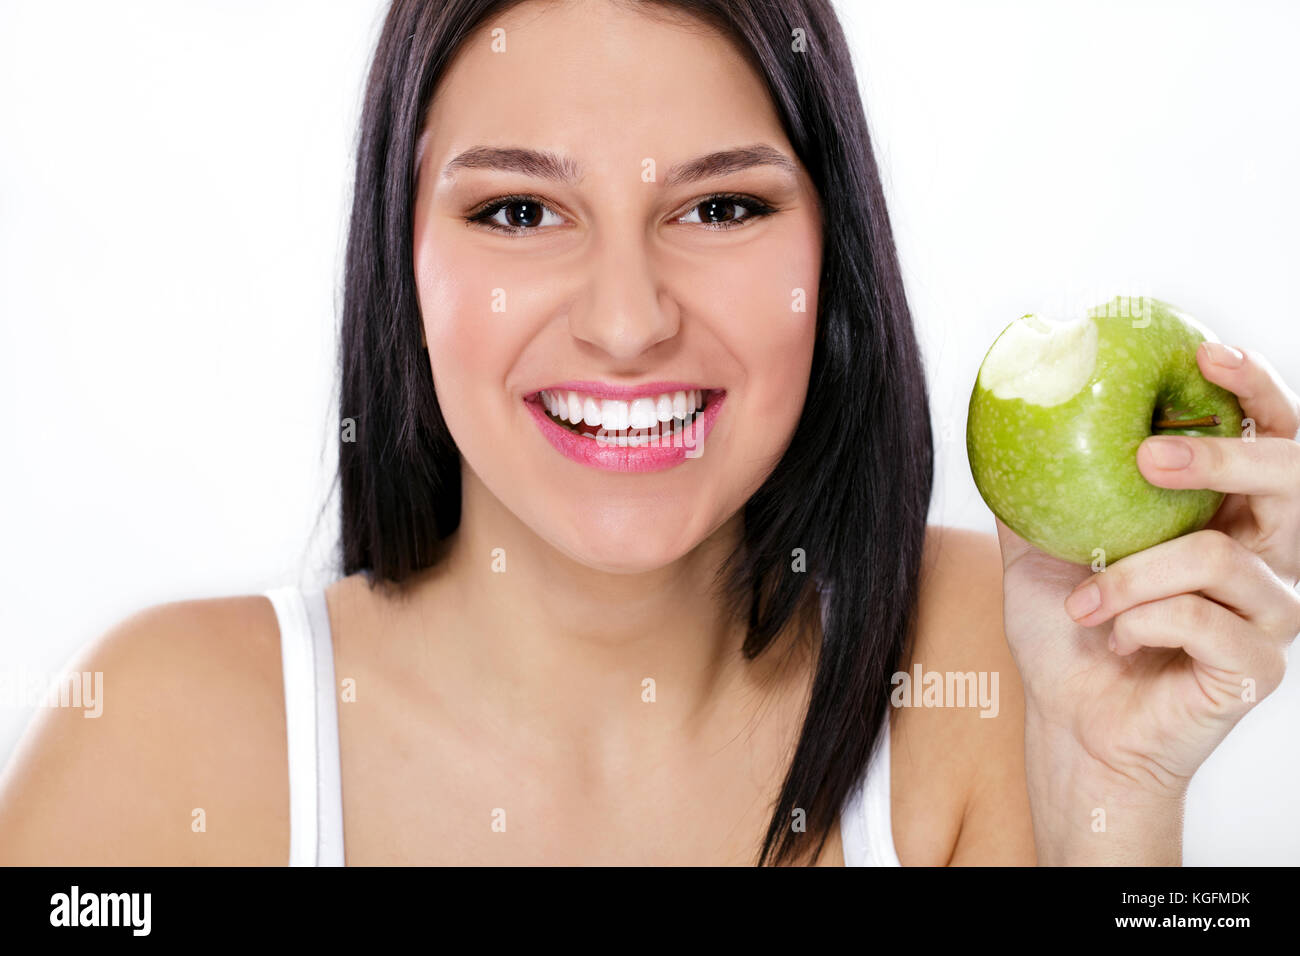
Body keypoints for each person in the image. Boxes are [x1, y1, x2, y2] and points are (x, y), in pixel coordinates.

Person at [1, 0, 1296, 866]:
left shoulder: (1011, 662)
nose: (628, 324)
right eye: (518, 213)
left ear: (831, 254)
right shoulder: (163, 742)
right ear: (401, 262)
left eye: (721, 208)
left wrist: (1113, 805)